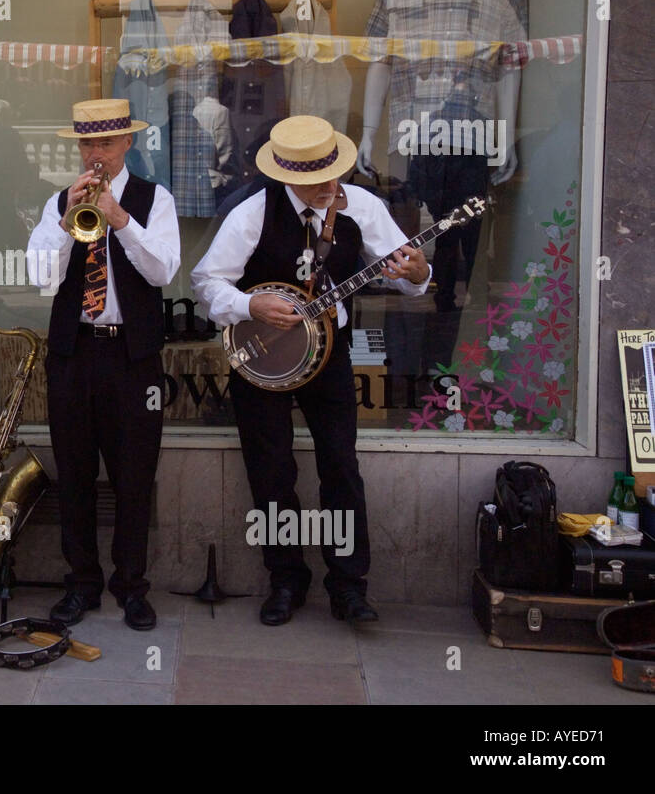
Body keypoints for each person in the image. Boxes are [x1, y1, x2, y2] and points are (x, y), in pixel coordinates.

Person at [191, 115, 431, 626]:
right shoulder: (252, 212)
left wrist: (418, 272)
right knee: (271, 469)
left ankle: (349, 586)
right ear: (286, 175)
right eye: (315, 179)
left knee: (341, 466)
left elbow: (410, 274)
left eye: (333, 173)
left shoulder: (362, 205)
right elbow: (206, 282)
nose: (328, 187)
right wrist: (248, 308)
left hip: (330, 355)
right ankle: (285, 580)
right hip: (261, 358)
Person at [26, 98, 180, 631]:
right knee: (75, 475)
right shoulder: (58, 204)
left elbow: (162, 272)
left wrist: (121, 220)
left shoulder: (154, 199)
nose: (96, 155)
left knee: (134, 475)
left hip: (131, 356)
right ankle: (82, 584)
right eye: (88, 144)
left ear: (127, 144)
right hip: (74, 353)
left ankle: (132, 586)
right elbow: (42, 278)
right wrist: (70, 224)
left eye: (106, 144)